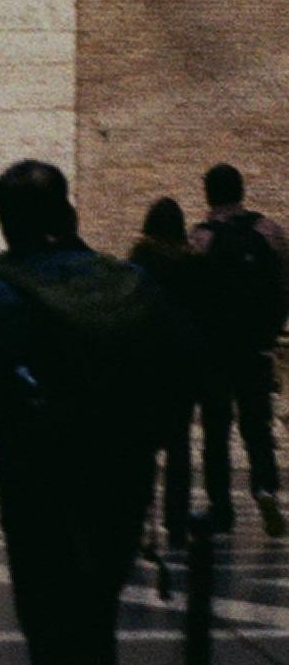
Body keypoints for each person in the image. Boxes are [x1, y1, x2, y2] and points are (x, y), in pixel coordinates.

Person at [0, 159, 194, 665]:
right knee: (95, 618)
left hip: (38, 480)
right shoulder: (134, 284)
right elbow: (184, 375)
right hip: (120, 478)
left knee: (48, 623)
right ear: (70, 212)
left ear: (8, 224)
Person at [189, 163, 288, 537]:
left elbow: (192, 295)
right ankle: (265, 489)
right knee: (257, 426)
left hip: (215, 351)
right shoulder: (268, 231)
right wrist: (273, 328)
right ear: (241, 190)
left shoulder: (201, 237)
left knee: (216, 429)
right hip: (255, 347)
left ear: (209, 194)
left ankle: (221, 506)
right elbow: (284, 282)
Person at [130, 198, 204, 546]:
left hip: (145, 361)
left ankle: (141, 515)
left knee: (141, 442)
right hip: (184, 362)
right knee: (179, 444)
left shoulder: (137, 262)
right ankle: (176, 521)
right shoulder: (192, 265)